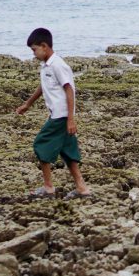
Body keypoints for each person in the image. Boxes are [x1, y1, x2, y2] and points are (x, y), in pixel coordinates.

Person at [16, 28, 92, 200]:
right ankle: (82, 188)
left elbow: (69, 90)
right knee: (68, 152)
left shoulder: (58, 65)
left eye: (34, 50)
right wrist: (28, 104)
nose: (33, 54)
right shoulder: (46, 66)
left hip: (61, 117)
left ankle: (48, 187)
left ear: (44, 46)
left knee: (40, 144)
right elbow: (43, 86)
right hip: (58, 116)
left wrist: (71, 119)